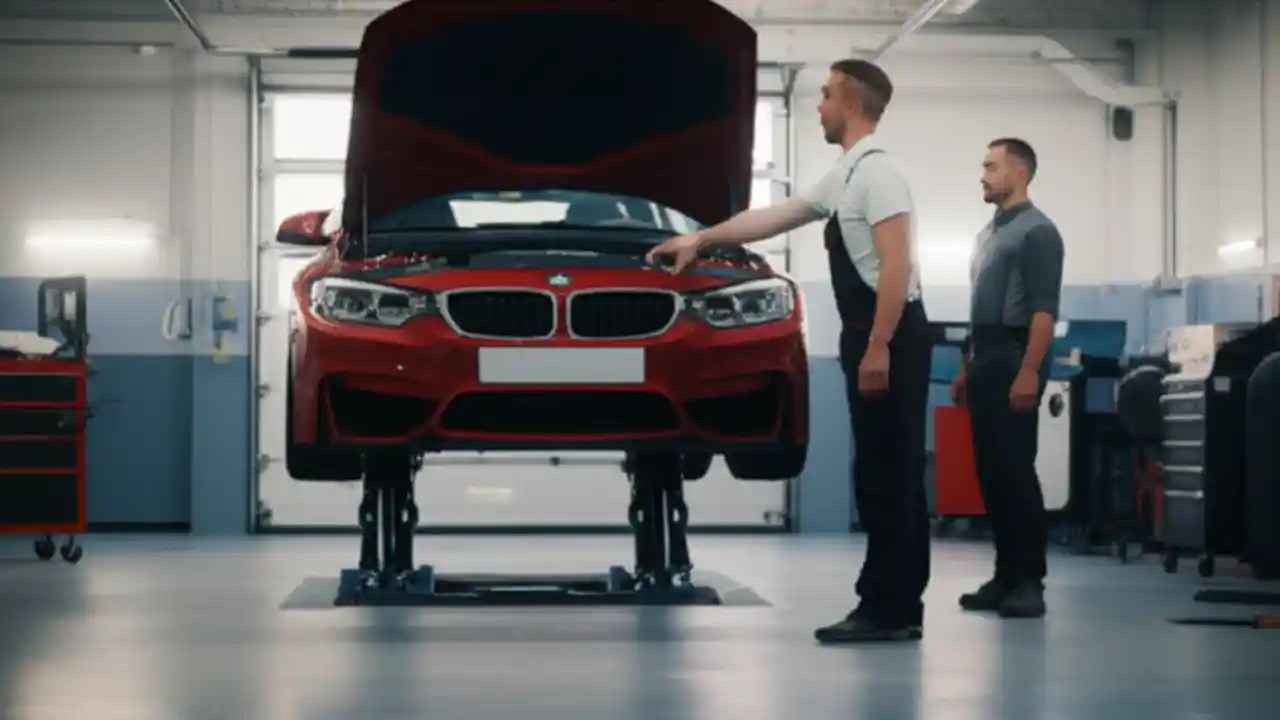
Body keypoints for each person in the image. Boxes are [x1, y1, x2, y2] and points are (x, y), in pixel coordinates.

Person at [646, 58, 931, 643]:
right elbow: (777, 216)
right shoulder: (846, 176)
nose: (820, 104)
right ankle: (895, 606)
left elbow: (896, 266)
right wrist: (701, 238)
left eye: (825, 94)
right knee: (882, 472)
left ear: (851, 102)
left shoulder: (879, 174)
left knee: (890, 475)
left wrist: (878, 346)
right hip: (871, 333)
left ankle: (888, 608)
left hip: (890, 333)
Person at [951, 138, 1065, 618]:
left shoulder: (1038, 233)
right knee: (991, 473)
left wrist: (1029, 372)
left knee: (1016, 471)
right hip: (985, 356)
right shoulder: (986, 235)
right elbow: (978, 309)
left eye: (990, 166)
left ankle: (1030, 582)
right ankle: (1003, 576)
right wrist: (966, 366)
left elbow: (1043, 312)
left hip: (1017, 354)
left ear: (1018, 173)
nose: (982, 174)